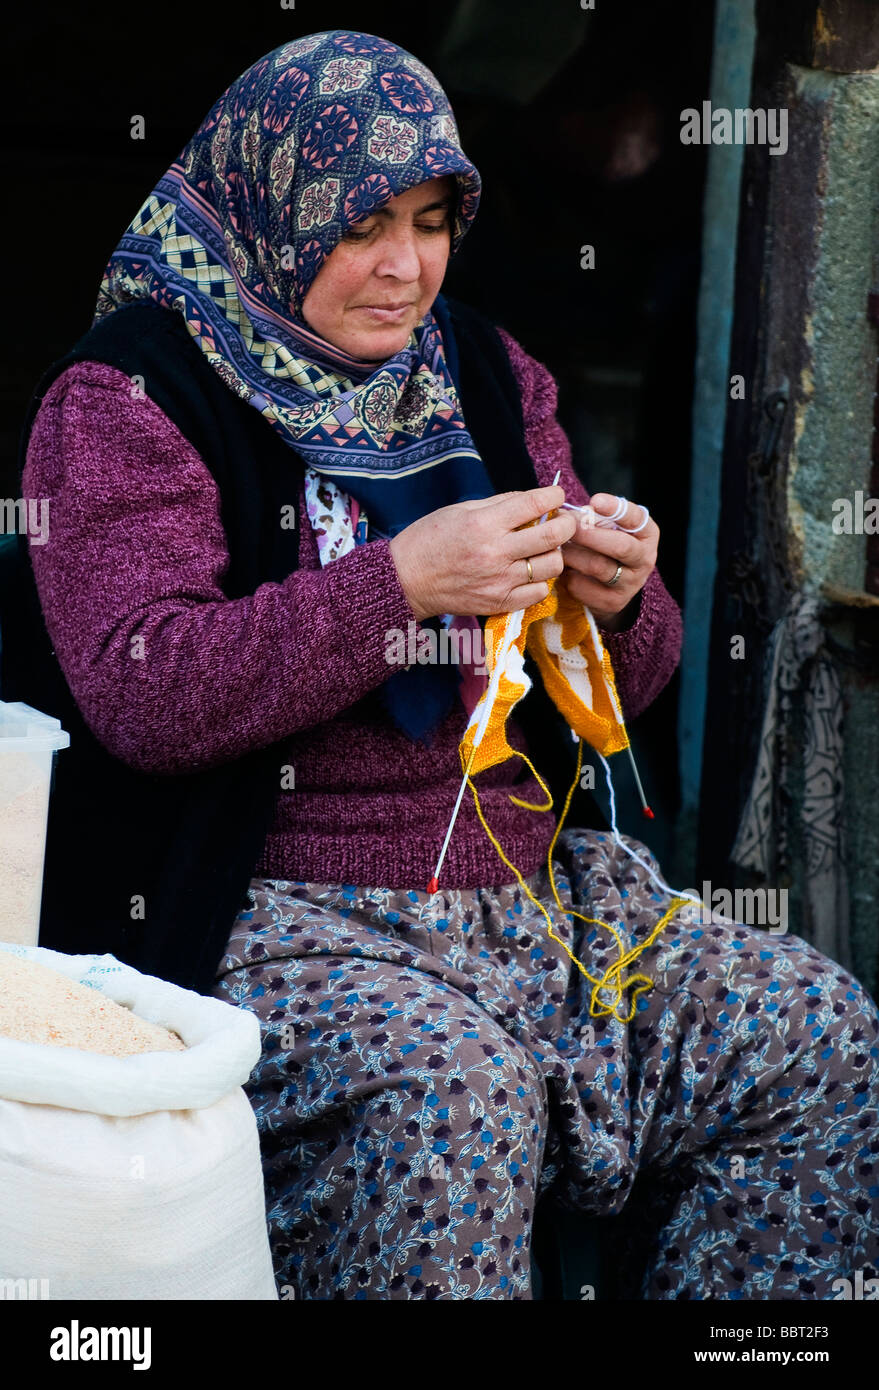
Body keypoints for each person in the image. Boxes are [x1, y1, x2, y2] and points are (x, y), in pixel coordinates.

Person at [15, 30, 878, 1301]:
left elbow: (629, 684)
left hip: (535, 899)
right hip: (272, 921)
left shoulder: (479, 369)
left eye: (431, 221)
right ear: (272, 208)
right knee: (452, 1099)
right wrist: (400, 583)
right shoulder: (131, 397)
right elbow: (143, 685)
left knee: (819, 1037)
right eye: (362, 225)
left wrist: (617, 598)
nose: (407, 267)